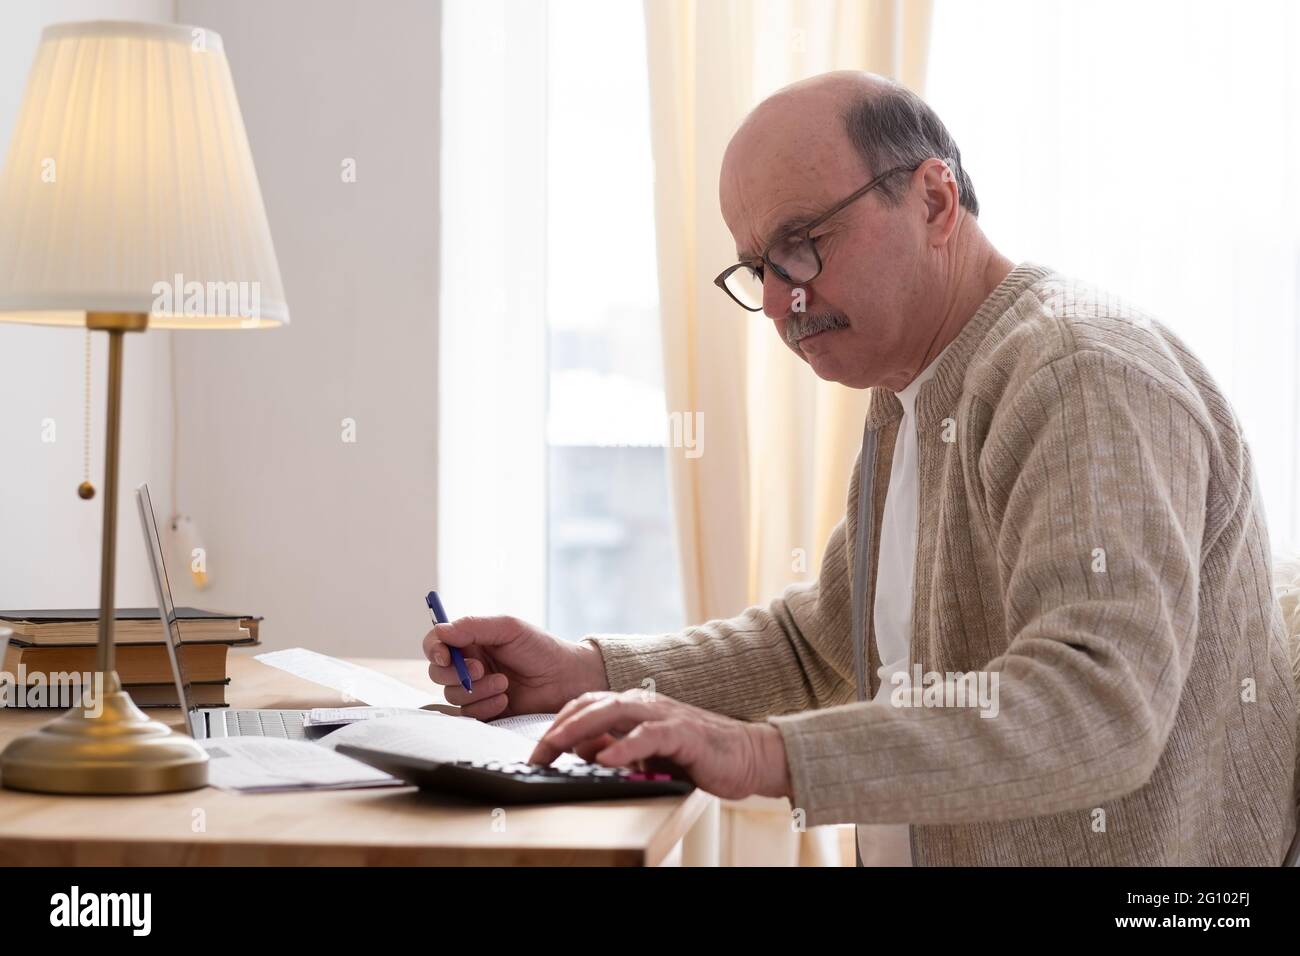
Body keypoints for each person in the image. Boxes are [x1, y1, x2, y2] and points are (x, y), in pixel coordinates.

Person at [424, 71, 1297, 865]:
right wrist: (586, 671)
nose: (777, 299)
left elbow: (1100, 707)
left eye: (802, 243)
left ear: (934, 200)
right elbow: (822, 647)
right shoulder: (912, 392)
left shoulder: (1081, 374)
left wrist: (768, 754)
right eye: (759, 265)